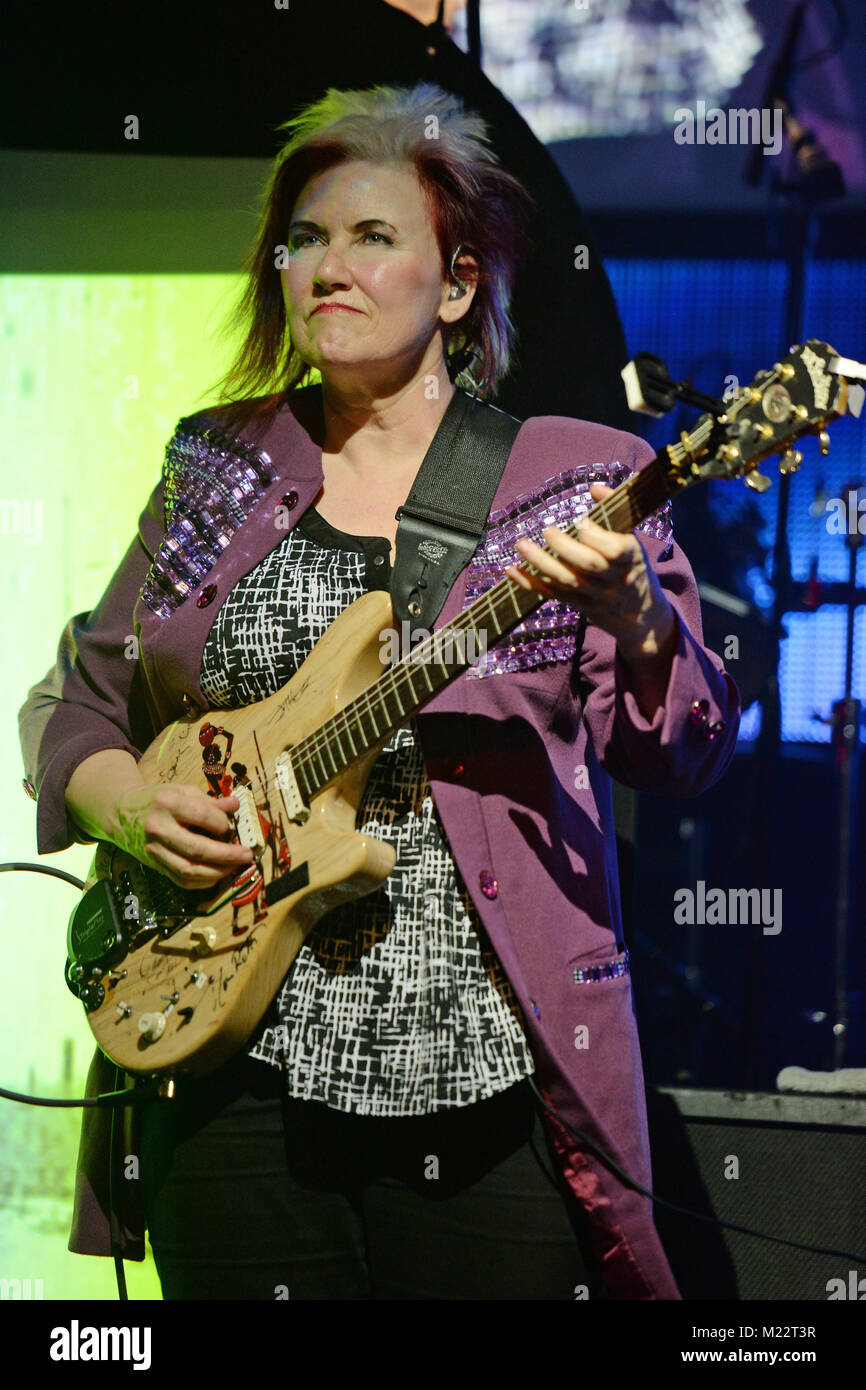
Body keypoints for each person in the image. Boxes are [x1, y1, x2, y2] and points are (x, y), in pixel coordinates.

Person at [18, 82, 740, 1301]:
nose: (324, 268)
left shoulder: (579, 478)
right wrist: (125, 807)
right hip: (231, 1061)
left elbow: (678, 750)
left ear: (456, 286)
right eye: (303, 240)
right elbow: (78, 700)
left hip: (485, 1077)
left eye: (369, 237)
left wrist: (636, 616)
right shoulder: (218, 463)